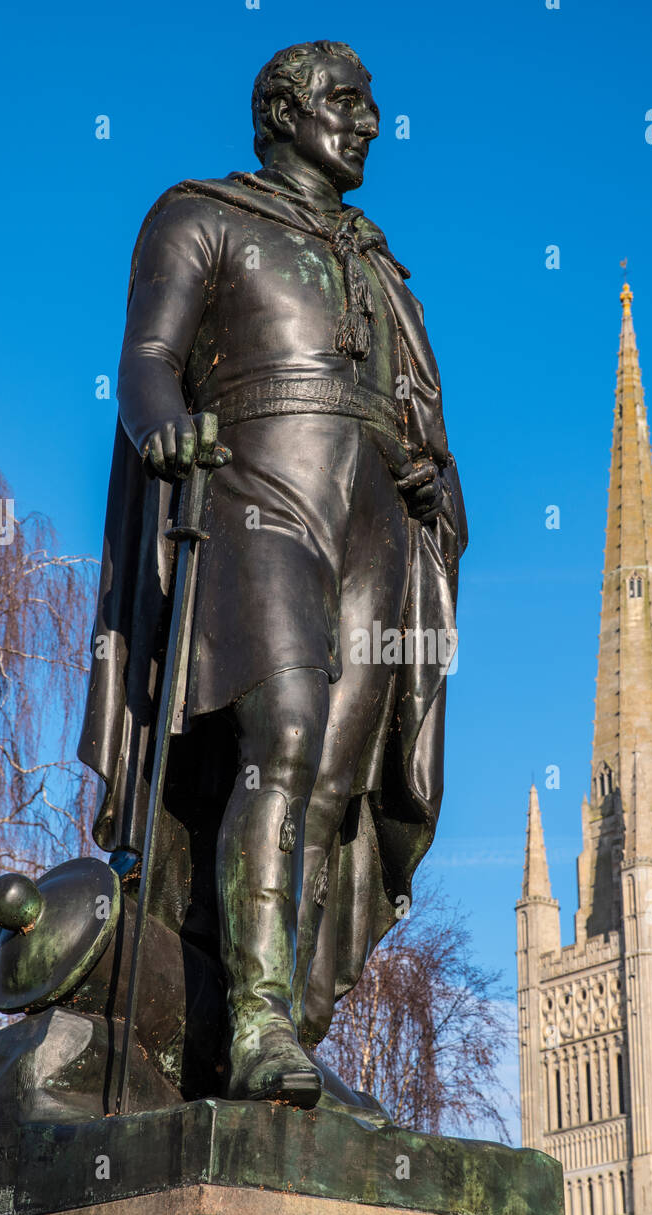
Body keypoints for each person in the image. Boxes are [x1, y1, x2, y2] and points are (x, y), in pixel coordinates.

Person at [79, 40, 466, 1108]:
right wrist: (162, 432)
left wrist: (435, 480)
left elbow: (411, 410)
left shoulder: (381, 267)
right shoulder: (199, 214)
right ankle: (251, 1024)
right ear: (282, 111)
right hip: (259, 493)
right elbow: (146, 362)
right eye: (348, 101)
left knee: (338, 787)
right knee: (283, 733)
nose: (371, 122)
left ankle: (291, 1027)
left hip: (376, 525)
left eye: (373, 104)